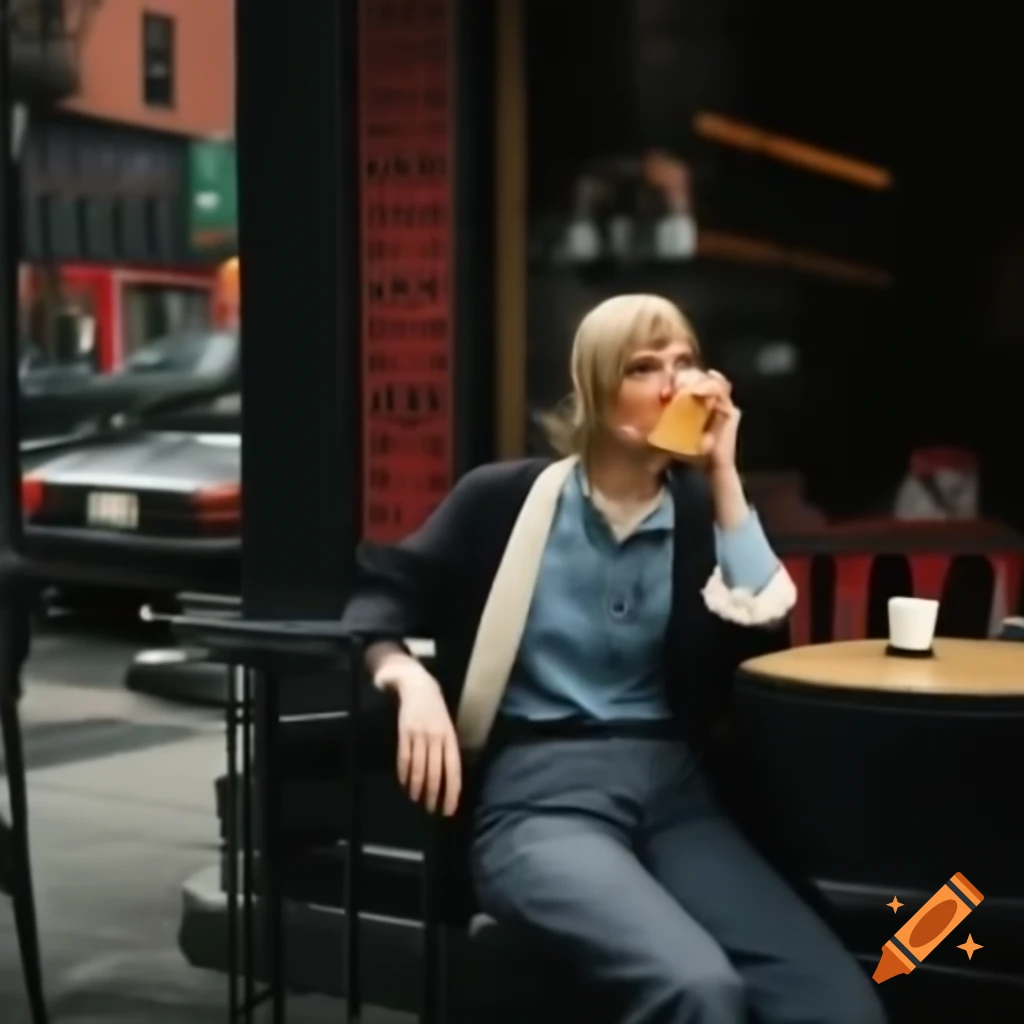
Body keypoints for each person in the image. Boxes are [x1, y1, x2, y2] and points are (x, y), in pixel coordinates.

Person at [341, 294, 886, 1024]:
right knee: (697, 989)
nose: (676, 384)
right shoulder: (504, 499)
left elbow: (760, 638)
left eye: (685, 362)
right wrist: (406, 676)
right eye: (643, 367)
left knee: (835, 1003)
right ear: (597, 390)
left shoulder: (699, 514)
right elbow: (381, 596)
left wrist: (724, 475)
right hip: (541, 801)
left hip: (679, 796)